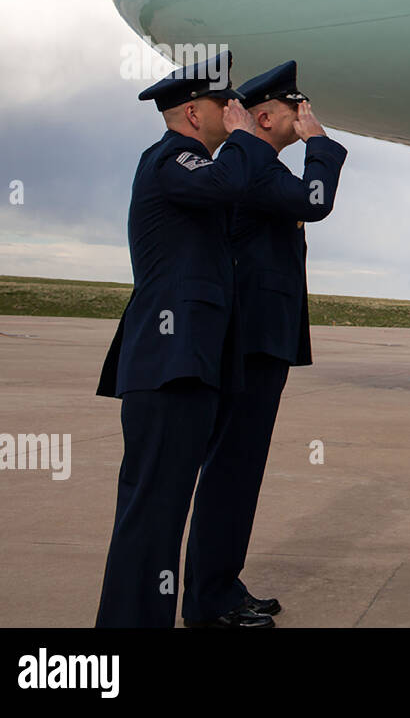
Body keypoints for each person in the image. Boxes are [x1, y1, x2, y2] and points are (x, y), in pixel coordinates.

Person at [94, 51, 277, 628]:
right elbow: (225, 183)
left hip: (187, 367)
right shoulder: (173, 158)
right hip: (167, 367)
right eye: (227, 105)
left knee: (163, 515)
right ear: (196, 114)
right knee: (152, 518)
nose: (235, 112)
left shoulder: (191, 166)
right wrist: (251, 138)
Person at [181, 61, 349, 628]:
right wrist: (320, 144)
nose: (304, 119)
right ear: (267, 115)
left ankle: (221, 585)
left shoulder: (255, 166)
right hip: (248, 341)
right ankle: (210, 599)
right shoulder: (253, 166)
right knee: (232, 467)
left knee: (238, 468)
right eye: (297, 111)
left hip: (256, 339)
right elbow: (316, 200)